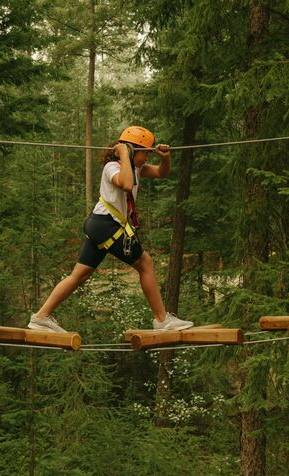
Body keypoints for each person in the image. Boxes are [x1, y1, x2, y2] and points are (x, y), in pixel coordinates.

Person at [28, 126, 194, 333]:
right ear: (132, 151)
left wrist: (165, 157)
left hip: (101, 226)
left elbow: (162, 172)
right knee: (145, 263)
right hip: (106, 224)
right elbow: (125, 184)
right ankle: (162, 320)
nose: (146, 158)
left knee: (79, 275)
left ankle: (41, 317)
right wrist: (124, 154)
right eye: (145, 153)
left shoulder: (135, 168)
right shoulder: (112, 167)